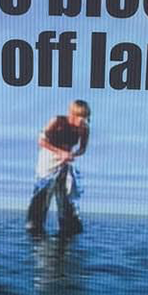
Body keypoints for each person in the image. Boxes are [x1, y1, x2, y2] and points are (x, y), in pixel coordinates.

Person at [26, 99, 90, 235]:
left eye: (85, 118)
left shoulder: (84, 128)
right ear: (72, 114)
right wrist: (59, 152)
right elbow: (41, 141)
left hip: (66, 159)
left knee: (67, 191)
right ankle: (35, 224)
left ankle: (68, 225)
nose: (83, 121)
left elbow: (82, 148)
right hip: (49, 158)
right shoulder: (57, 121)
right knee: (43, 190)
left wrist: (72, 154)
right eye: (81, 117)